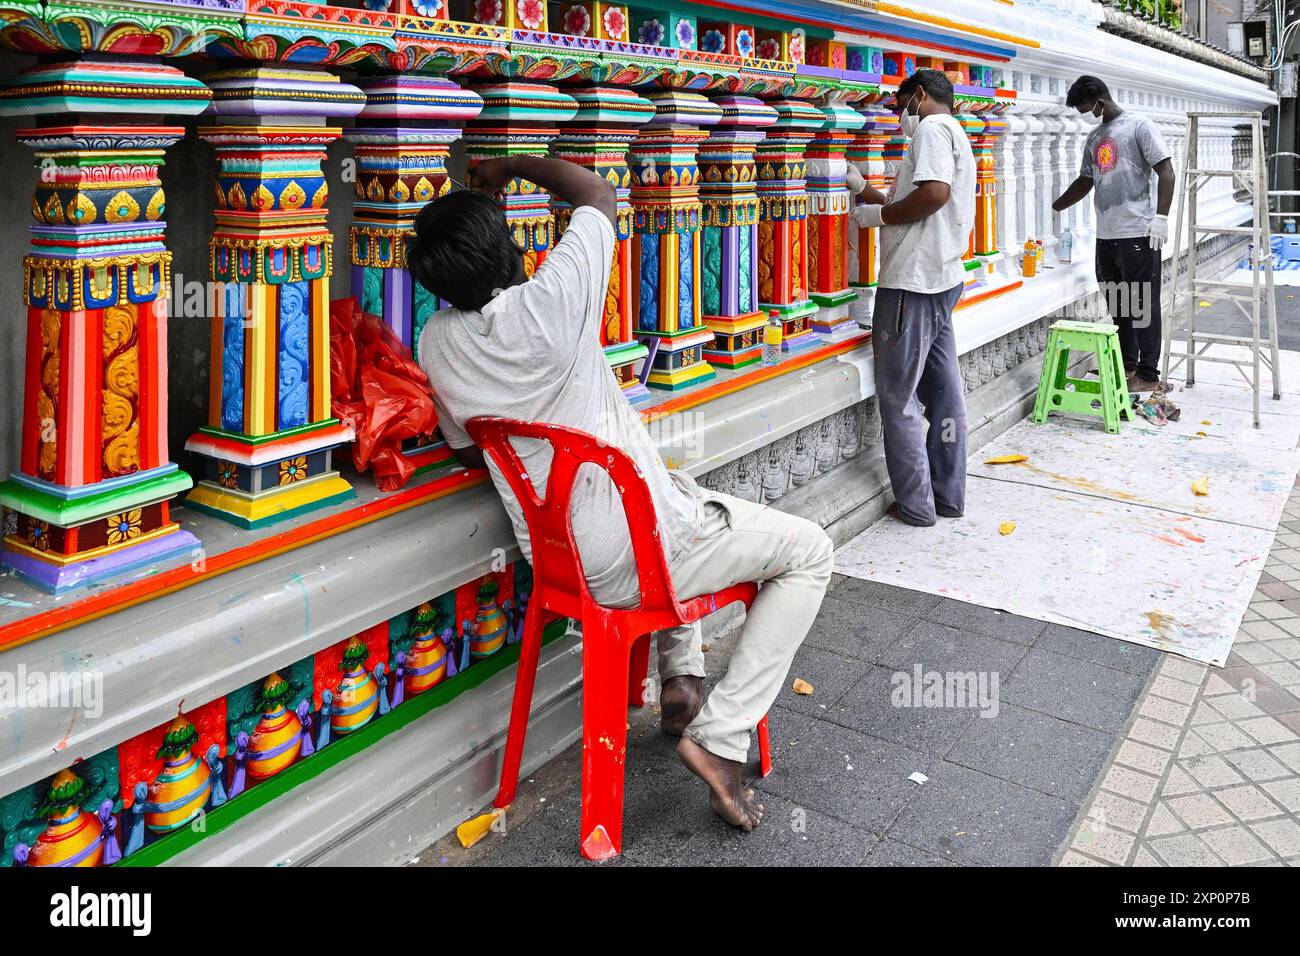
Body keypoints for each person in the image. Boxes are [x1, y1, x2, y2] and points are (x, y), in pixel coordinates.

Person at [406, 156, 834, 832]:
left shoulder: (436, 342)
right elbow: (596, 191)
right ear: (510, 251)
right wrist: (503, 167)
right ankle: (721, 741)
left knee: (673, 494)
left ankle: (681, 677)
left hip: (559, 562)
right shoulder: (552, 300)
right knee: (810, 550)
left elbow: (466, 446)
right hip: (633, 558)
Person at [845, 68, 976, 528]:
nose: (901, 116)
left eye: (901, 106)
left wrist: (876, 214)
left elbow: (933, 195)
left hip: (912, 284)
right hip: (940, 278)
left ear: (918, 96)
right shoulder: (957, 131)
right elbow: (915, 206)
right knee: (943, 392)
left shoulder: (934, 128)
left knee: (898, 397)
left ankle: (917, 506)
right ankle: (947, 495)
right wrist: (866, 192)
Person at [1052, 74, 1175, 393]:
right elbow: (1085, 181)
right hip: (1106, 235)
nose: (1085, 114)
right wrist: (1057, 204)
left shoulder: (1138, 126)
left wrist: (1161, 216)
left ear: (1100, 101)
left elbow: (1166, 171)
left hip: (1139, 232)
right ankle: (1128, 364)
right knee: (1120, 304)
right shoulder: (1095, 138)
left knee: (1143, 303)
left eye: (1085, 108)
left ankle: (1149, 375)